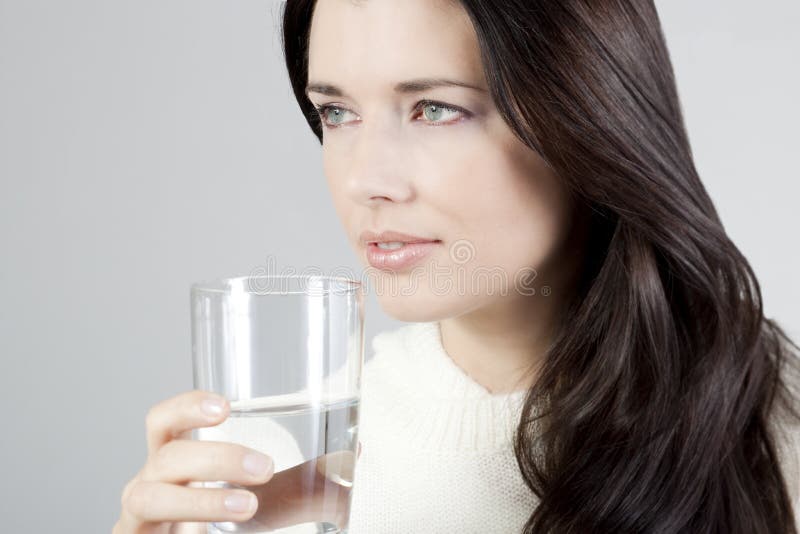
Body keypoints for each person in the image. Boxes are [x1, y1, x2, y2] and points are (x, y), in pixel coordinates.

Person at [114, 0, 800, 532]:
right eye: (337, 112)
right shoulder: (280, 469)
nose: (364, 181)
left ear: (587, 116)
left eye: (434, 109)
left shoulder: (768, 424)